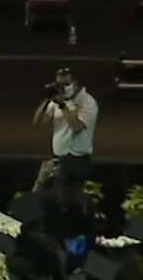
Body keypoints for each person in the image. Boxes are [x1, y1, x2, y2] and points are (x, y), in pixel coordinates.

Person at [32, 67, 98, 210]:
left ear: (74, 83)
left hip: (76, 159)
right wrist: (46, 99)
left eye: (64, 85)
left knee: (67, 201)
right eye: (58, 85)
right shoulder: (55, 102)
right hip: (58, 158)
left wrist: (63, 104)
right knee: (50, 199)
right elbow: (37, 123)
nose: (61, 89)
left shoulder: (87, 102)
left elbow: (77, 127)